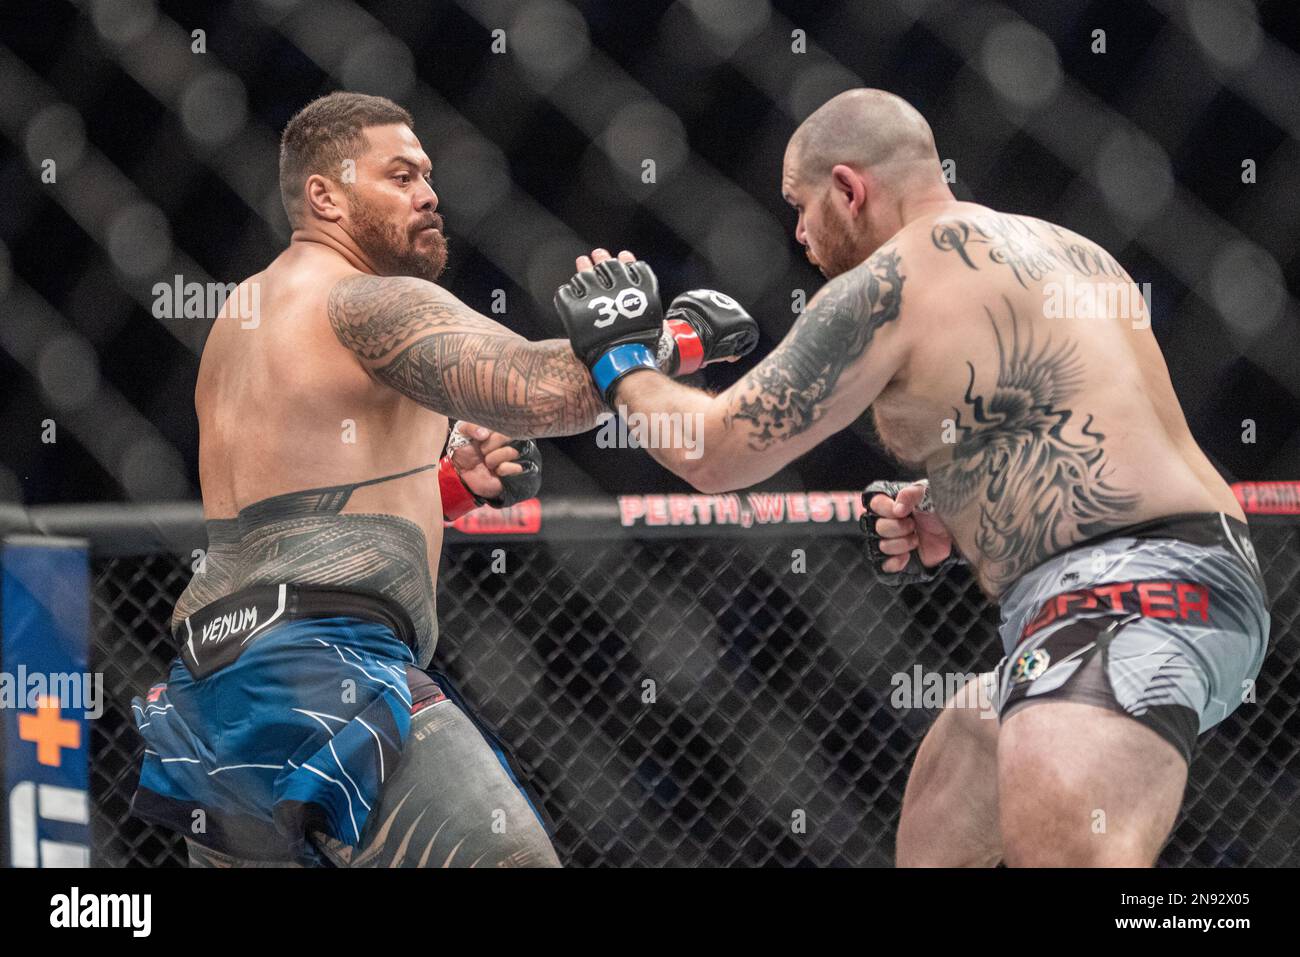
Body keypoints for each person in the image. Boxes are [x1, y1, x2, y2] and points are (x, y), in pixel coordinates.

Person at [547, 88, 1270, 866]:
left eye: (800, 205)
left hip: (1124, 594)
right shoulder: (1069, 250)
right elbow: (1082, 422)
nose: (797, 233)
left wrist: (620, 356)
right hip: (1185, 573)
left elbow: (714, 450)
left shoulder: (886, 286)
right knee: (958, 768)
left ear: (849, 189)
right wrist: (958, 502)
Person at [130, 91, 757, 867]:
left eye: (427, 174)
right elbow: (540, 388)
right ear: (324, 193)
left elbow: (302, 498)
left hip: (214, 693)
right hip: (322, 662)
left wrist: (447, 489)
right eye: (399, 176)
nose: (429, 193)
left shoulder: (243, 317)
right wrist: (680, 338)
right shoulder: (361, 299)